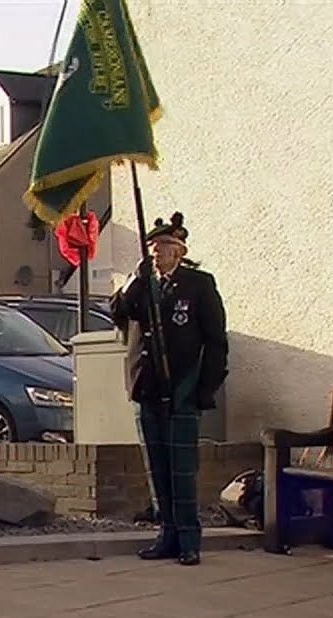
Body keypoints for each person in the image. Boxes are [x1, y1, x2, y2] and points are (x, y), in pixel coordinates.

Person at [111, 212, 228, 567]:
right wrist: (134, 278)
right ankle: (166, 534)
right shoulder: (142, 285)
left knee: (181, 468)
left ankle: (189, 540)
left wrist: (203, 388)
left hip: (181, 387)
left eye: (164, 246)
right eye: (153, 247)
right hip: (146, 386)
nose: (157, 252)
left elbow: (216, 342)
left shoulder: (198, 284)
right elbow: (118, 312)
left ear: (180, 250)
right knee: (156, 466)